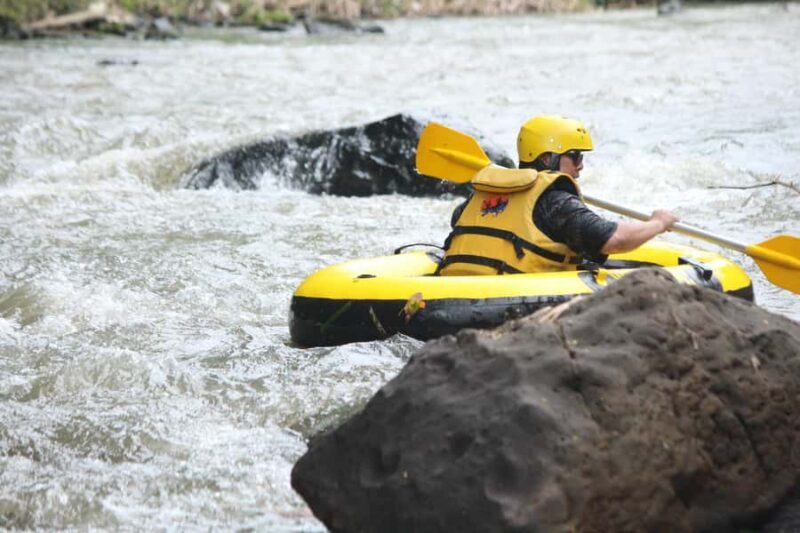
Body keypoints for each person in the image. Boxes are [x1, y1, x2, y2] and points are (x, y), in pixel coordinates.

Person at [437, 115, 679, 276]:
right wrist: (658, 223)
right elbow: (615, 240)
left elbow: (459, 221)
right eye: (575, 156)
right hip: (504, 304)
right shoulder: (554, 202)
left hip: (452, 294)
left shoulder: (479, 196)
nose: (581, 165)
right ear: (546, 158)